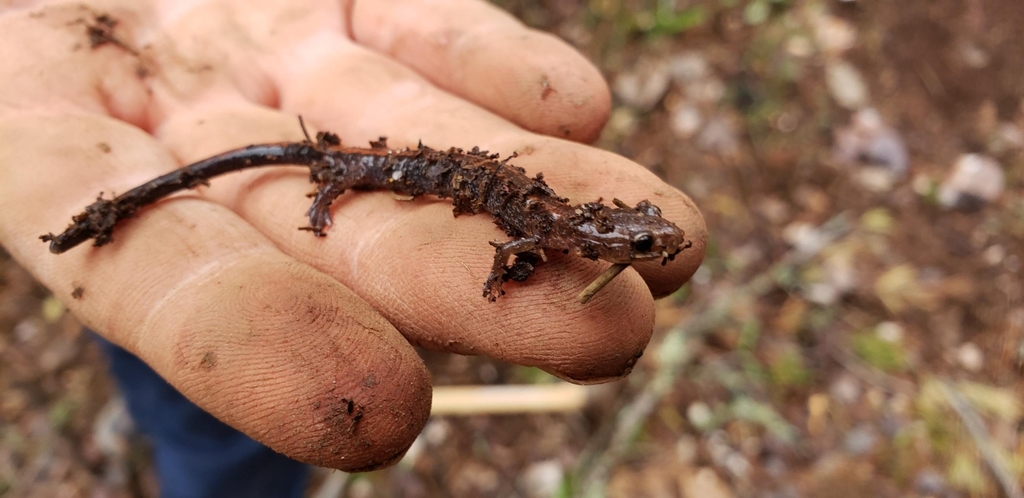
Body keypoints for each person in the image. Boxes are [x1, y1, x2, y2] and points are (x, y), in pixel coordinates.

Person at [0, 0, 706, 496]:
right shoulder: (555, 230)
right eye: (644, 240)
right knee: (343, 177)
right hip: (373, 168)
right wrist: (504, 273)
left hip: (396, 169)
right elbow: (509, 246)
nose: (652, 246)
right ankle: (179, 213)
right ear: (609, 233)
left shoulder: (566, 228)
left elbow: (517, 228)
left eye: (646, 241)